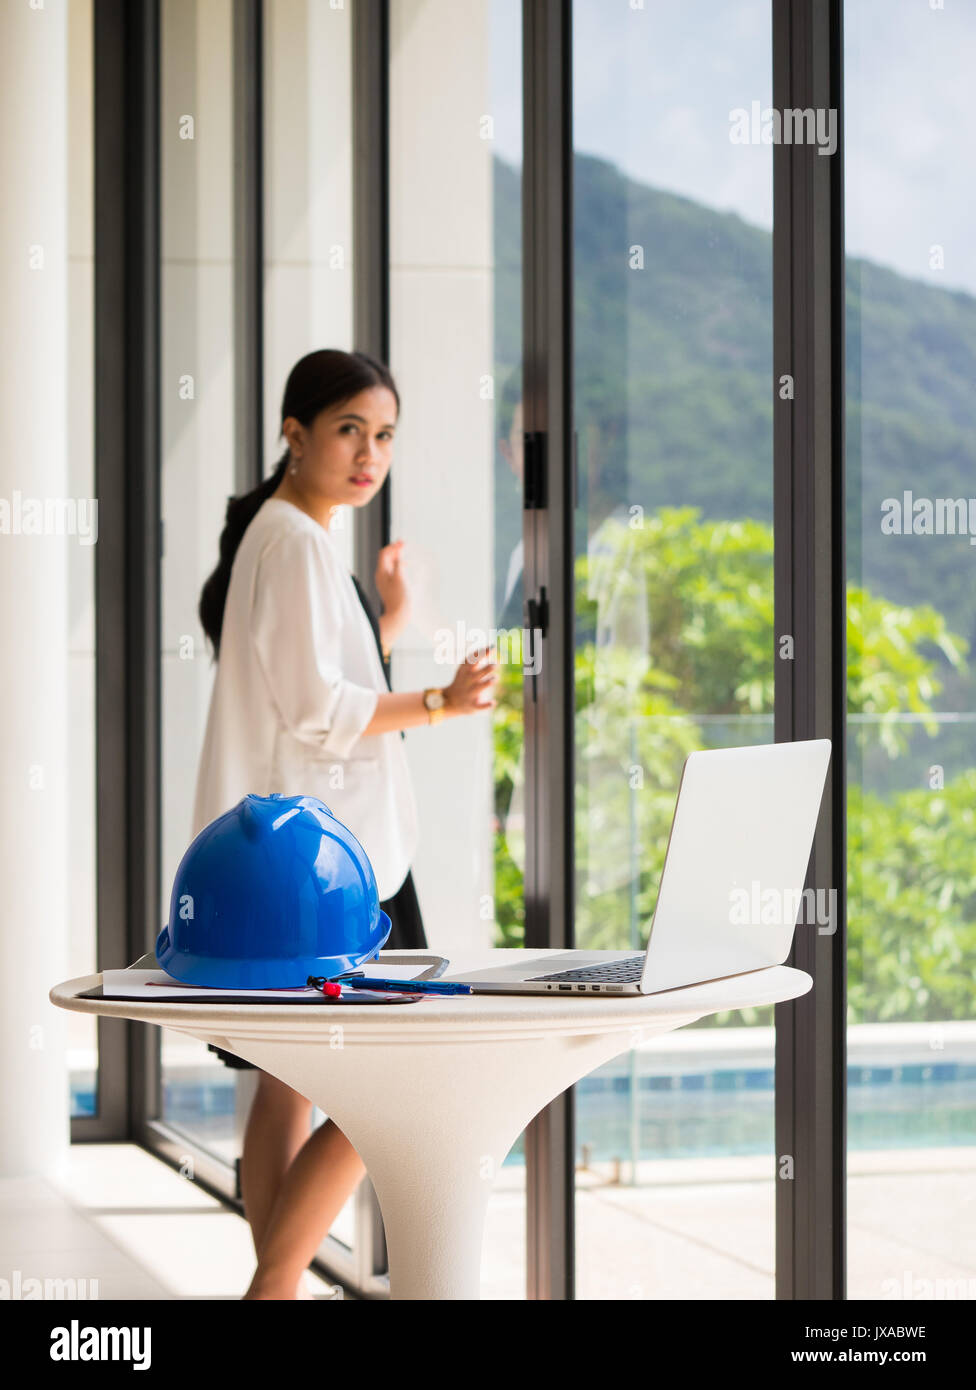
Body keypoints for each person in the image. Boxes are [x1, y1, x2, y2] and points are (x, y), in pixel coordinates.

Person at [194, 347, 499, 1299]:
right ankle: (270, 1289)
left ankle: (274, 1289)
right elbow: (319, 707)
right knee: (393, 1090)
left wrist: (389, 621)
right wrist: (442, 703)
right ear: (295, 433)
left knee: (284, 1087)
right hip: (325, 868)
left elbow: (314, 681)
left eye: (385, 436)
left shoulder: (293, 537)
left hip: (294, 858)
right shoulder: (291, 542)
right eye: (348, 430)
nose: (370, 454)